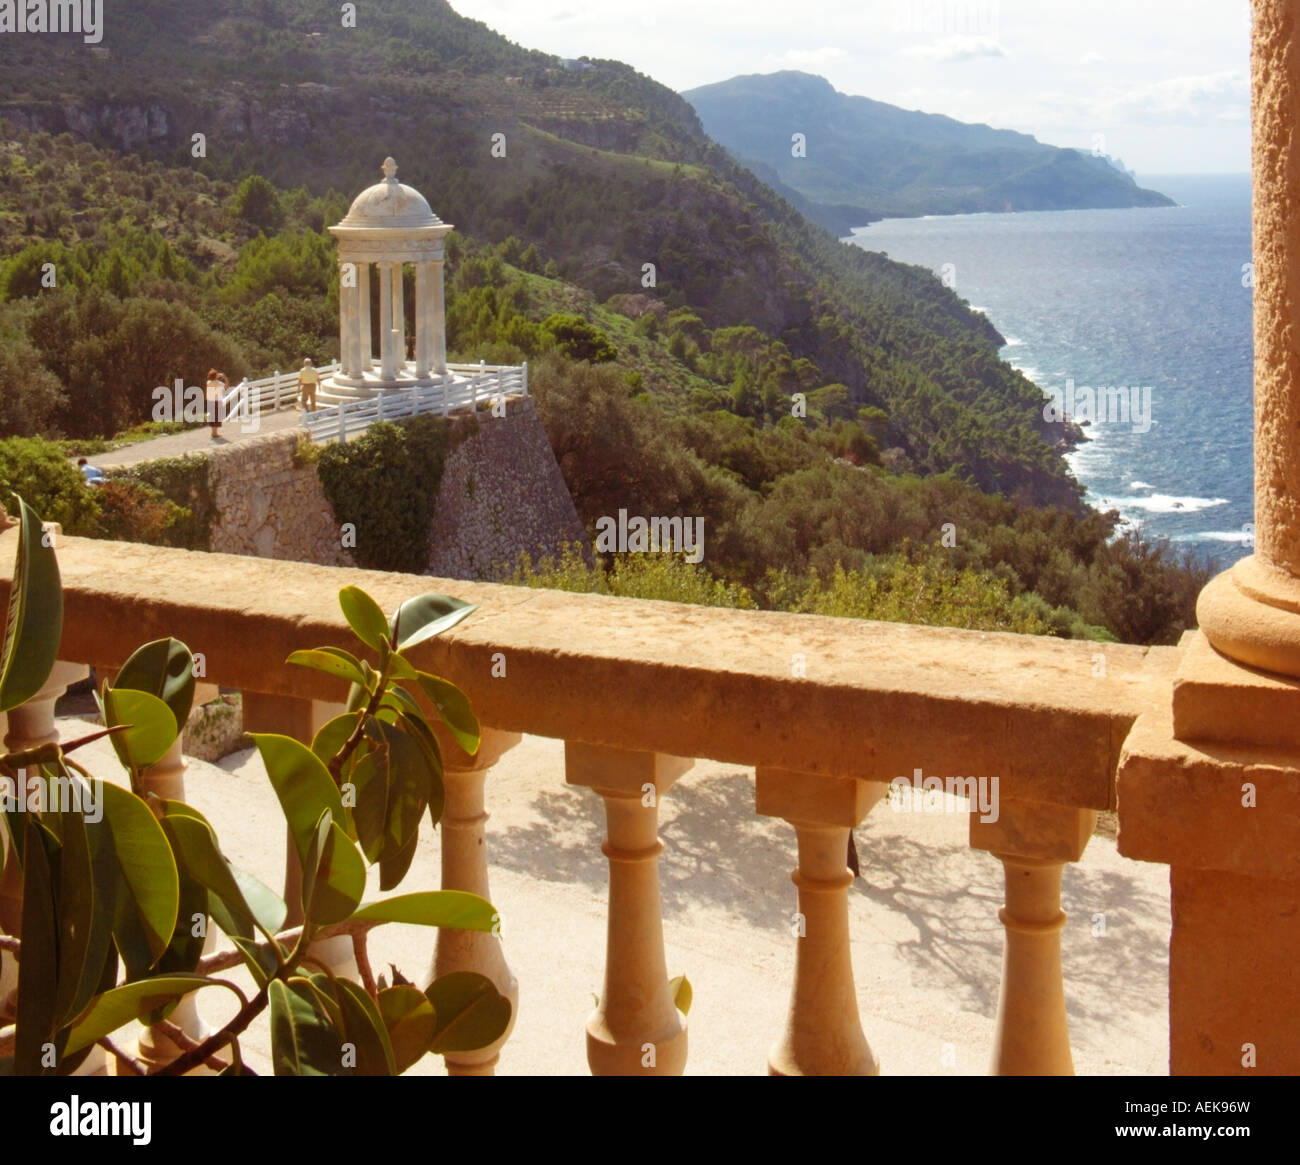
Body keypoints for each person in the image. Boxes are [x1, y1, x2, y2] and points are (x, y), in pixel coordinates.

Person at [205, 369, 228, 439]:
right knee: (217, 417)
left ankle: (213, 432)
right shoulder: (219, 383)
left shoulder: (208, 382)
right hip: (217, 401)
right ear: (216, 376)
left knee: (212, 416)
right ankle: (215, 433)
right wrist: (224, 377)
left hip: (210, 401)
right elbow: (226, 386)